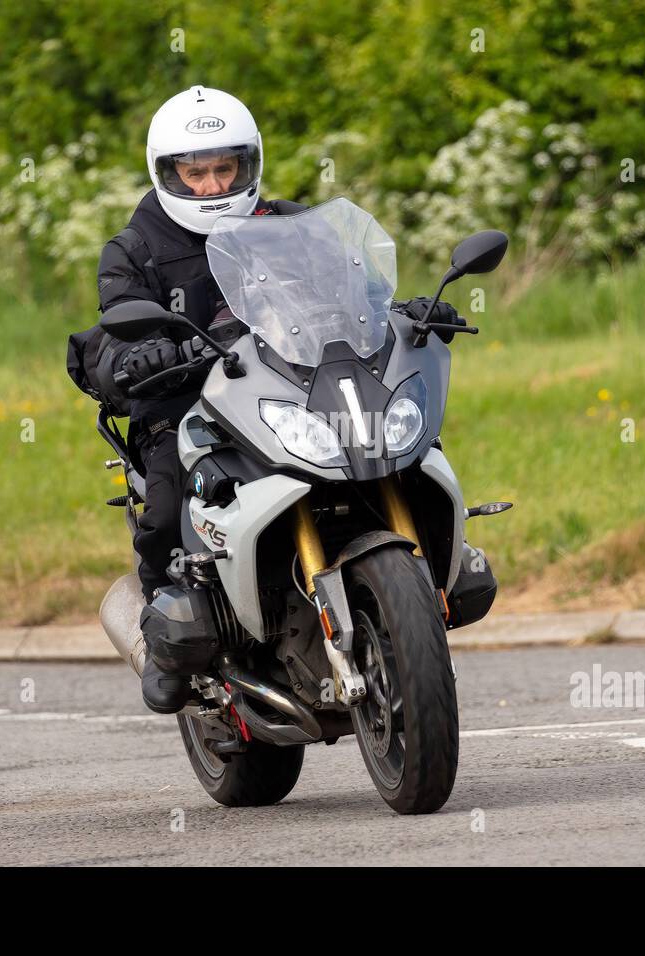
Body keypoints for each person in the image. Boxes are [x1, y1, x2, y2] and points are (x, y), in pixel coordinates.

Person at [67, 86, 461, 714]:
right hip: (186, 407)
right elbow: (117, 321)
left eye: (225, 167)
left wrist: (406, 312)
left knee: (402, 436)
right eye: (195, 172)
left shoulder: (290, 225)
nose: (211, 184)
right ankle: (162, 637)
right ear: (167, 172)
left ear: (249, 163)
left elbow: (354, 289)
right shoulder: (133, 249)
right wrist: (143, 354)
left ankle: (442, 566)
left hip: (287, 387)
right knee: (169, 493)